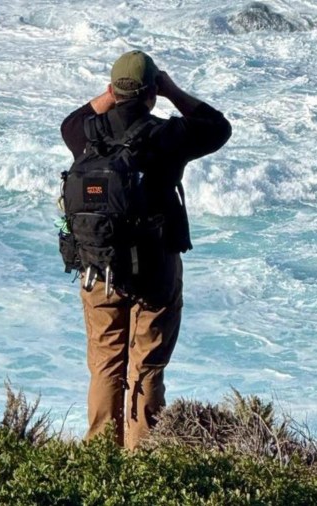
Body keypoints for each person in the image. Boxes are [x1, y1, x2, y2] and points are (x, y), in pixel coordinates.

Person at [60, 50, 232, 449]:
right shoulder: (167, 137)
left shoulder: (85, 135)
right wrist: (172, 91)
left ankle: (101, 456)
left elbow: (68, 121)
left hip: (98, 269)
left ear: (114, 90)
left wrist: (108, 95)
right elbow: (217, 127)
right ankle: (142, 461)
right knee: (148, 366)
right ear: (152, 93)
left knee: (105, 365)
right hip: (155, 273)